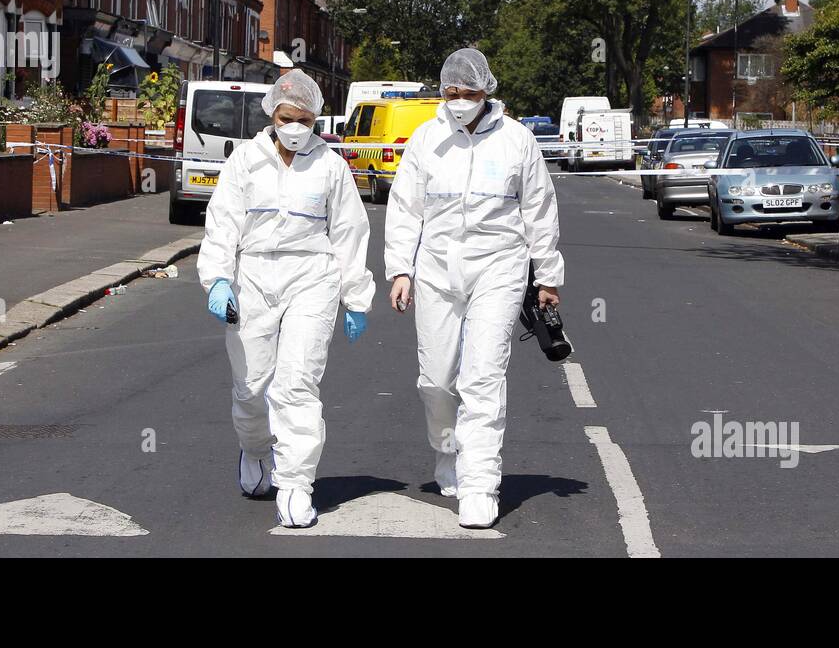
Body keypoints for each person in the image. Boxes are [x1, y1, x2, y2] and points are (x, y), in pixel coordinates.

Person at [384, 48, 564, 529]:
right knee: (437, 380)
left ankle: (480, 484)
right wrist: (400, 269)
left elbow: (539, 210)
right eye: (450, 92)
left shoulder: (517, 141)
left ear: (487, 91)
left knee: (482, 378)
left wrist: (547, 276)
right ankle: (448, 453)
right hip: (438, 269)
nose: (458, 100)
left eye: (468, 92)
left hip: (499, 267)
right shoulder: (426, 140)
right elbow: (404, 207)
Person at [198, 69, 375, 529]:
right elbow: (222, 222)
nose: (295, 126)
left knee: (297, 384)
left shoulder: (331, 166)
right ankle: (256, 450)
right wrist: (217, 279)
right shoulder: (246, 160)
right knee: (252, 385)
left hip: (312, 276)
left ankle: (296, 484)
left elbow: (350, 233)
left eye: (305, 120)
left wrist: (356, 297)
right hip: (252, 273)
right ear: (272, 114)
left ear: (316, 120)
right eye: (287, 117)